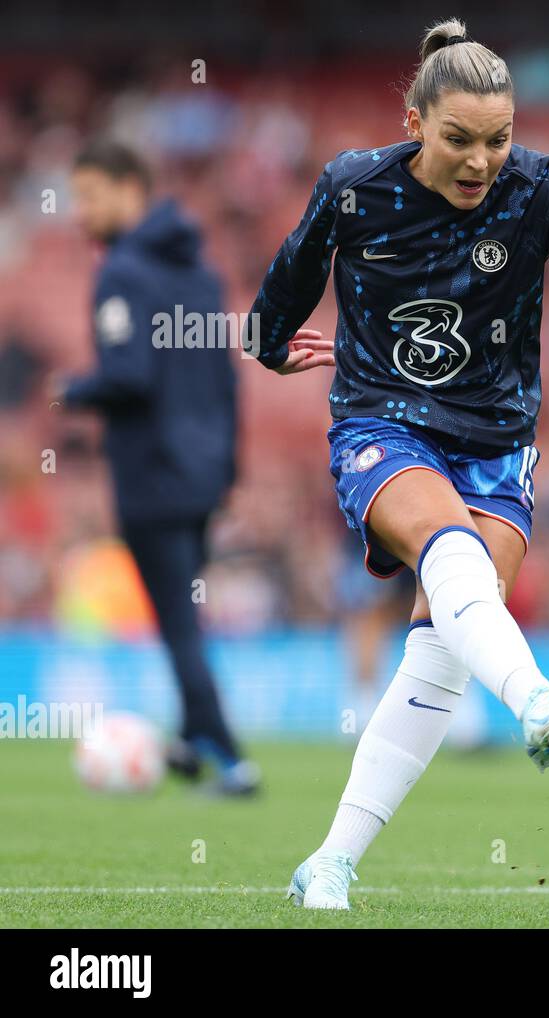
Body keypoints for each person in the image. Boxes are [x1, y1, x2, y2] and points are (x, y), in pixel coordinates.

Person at [245, 19, 549, 909]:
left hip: (497, 442)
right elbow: (283, 282)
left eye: (497, 139)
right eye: (459, 139)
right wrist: (270, 344)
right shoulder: (354, 188)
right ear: (415, 121)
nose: (480, 160)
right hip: (382, 424)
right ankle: (537, 696)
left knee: (442, 642)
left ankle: (331, 863)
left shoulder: (536, 187)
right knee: (447, 543)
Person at [53, 140, 257, 794]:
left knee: (175, 619)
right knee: (184, 614)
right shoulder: (200, 274)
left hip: (151, 475)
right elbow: (226, 380)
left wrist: (71, 390)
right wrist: (227, 470)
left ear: (128, 188)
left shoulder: (123, 272)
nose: (79, 212)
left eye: (88, 195)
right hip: (201, 473)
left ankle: (228, 756)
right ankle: (196, 741)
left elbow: (128, 376)